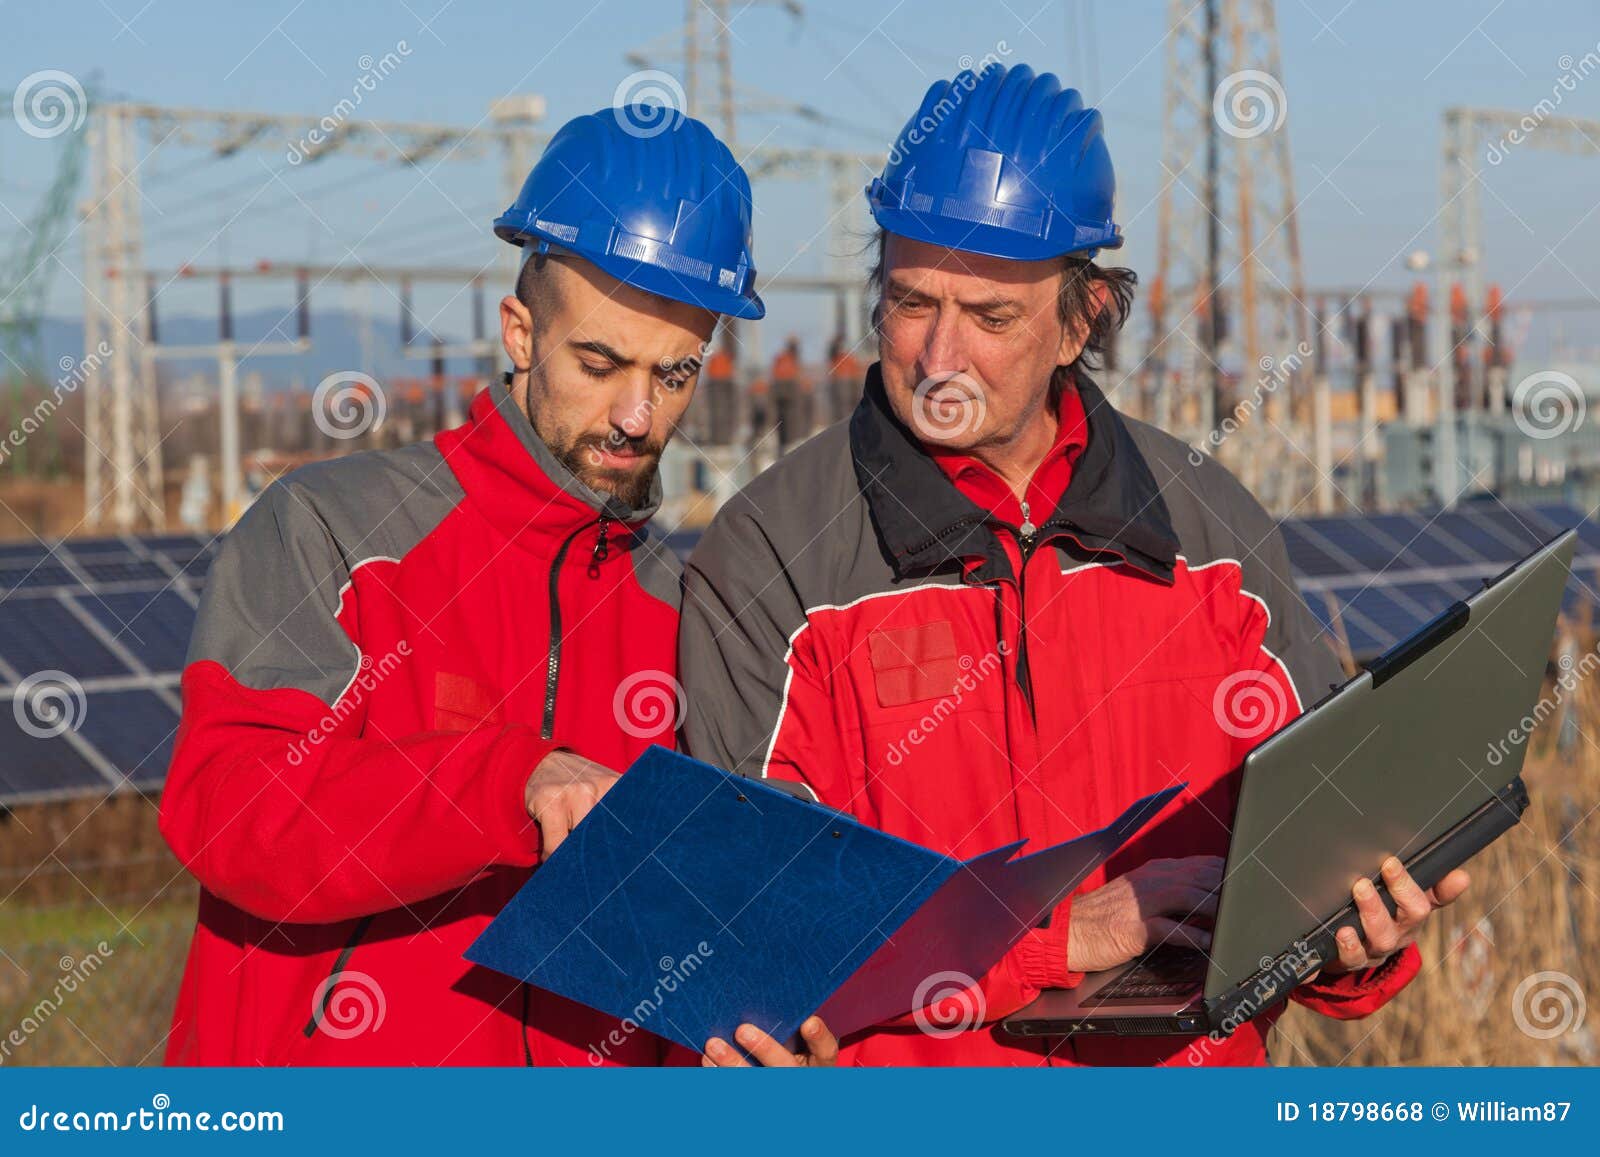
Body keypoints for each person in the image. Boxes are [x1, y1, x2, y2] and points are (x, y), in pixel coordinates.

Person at [680, 63, 1466, 1067]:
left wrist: (1355, 937)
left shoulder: (1208, 530)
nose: (938, 356)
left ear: (1082, 317)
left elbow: (1312, 842)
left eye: (991, 317)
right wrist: (1057, 940)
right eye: (911, 302)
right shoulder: (770, 558)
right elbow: (745, 930)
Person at [158, 105, 763, 1065]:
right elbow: (230, 814)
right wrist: (505, 777)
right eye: (600, 363)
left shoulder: (682, 609)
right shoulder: (333, 530)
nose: (638, 415)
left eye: (674, 374)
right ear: (520, 332)